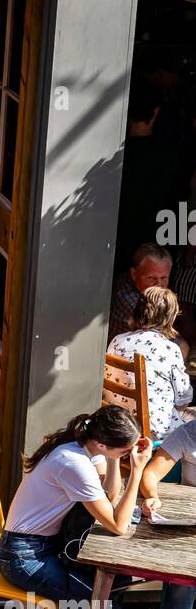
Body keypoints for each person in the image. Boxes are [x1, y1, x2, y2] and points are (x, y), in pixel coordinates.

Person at [0, 407, 150, 609]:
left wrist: (115, 457)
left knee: (117, 582)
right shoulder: (75, 462)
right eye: (125, 452)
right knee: (99, 603)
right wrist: (137, 470)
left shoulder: (85, 446)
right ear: (102, 444)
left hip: (45, 545)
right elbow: (119, 525)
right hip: (23, 556)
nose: (129, 455)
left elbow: (109, 495)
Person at [140, 426, 196, 609]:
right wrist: (152, 497)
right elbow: (150, 475)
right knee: (183, 569)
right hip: (189, 521)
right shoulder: (189, 433)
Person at [105, 286, 192, 438]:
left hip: (116, 424)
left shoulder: (117, 340)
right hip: (150, 431)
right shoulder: (169, 349)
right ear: (170, 318)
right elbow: (182, 398)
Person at [114, 85, 179, 273]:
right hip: (155, 238)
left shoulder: (116, 156)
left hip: (118, 240)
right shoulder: (168, 156)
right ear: (156, 111)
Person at [108, 242, 173, 341]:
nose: (159, 284)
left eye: (164, 278)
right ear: (134, 274)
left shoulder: (134, 282)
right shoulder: (130, 300)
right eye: (151, 278)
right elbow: (166, 340)